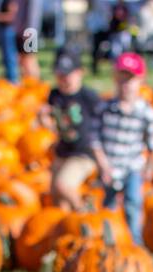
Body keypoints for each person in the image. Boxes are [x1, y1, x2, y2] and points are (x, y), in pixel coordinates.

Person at [94, 52, 153, 246]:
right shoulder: (104, 109)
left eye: (130, 80)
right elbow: (95, 139)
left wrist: (150, 167)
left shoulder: (147, 113)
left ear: (141, 81)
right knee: (108, 207)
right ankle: (109, 242)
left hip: (132, 167)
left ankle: (134, 243)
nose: (125, 85)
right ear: (114, 79)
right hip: (109, 165)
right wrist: (102, 165)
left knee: (133, 203)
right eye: (121, 79)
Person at [43, 48, 103, 210]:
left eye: (68, 75)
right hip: (63, 151)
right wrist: (44, 119)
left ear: (80, 73)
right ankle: (66, 222)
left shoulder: (89, 97)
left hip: (84, 153)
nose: (64, 80)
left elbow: (103, 121)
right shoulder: (54, 95)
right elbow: (50, 120)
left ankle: (84, 213)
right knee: (56, 195)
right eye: (59, 75)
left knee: (64, 185)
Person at [14, 0, 43, 80]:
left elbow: (33, 14)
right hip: (21, 32)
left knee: (29, 60)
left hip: (29, 33)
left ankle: (34, 83)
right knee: (22, 60)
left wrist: (30, 31)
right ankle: (27, 81)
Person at [0, 0, 21, 82]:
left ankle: (13, 80)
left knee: (10, 57)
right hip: (6, 30)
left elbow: (12, 16)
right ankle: (10, 78)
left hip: (8, 30)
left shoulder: (11, 1)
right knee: (6, 57)